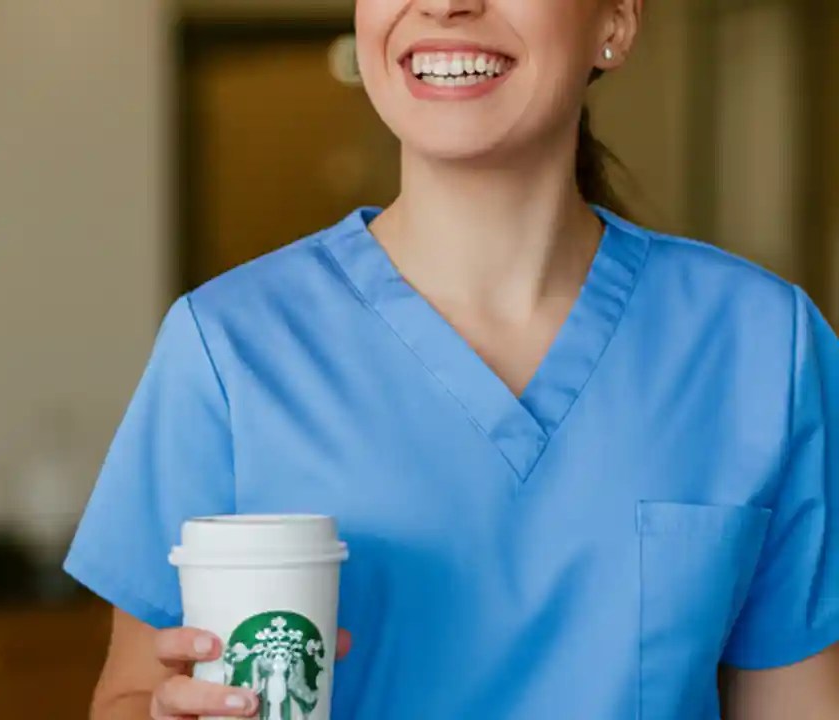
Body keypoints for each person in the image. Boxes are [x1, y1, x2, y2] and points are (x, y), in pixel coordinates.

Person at [63, 0, 839, 717]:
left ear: (617, 19)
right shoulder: (230, 347)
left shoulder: (764, 346)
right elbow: (131, 693)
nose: (443, 3)